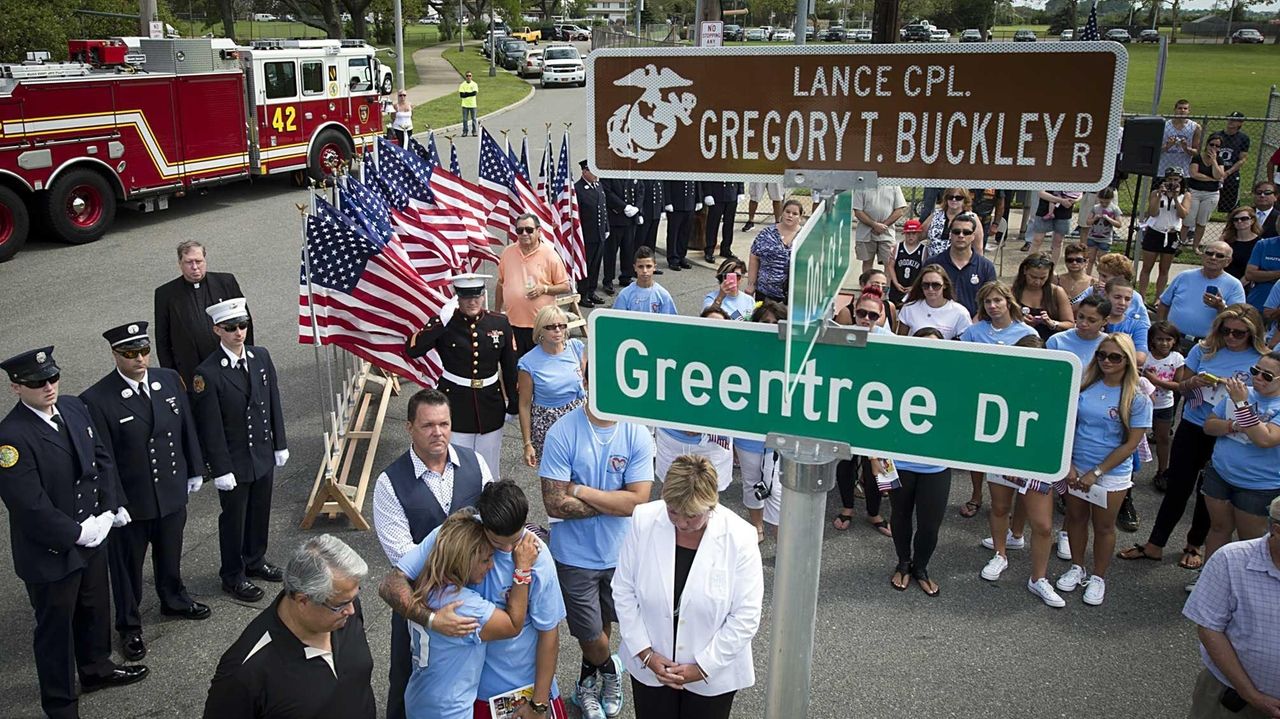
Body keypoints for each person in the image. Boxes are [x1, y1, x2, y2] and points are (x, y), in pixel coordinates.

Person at [0, 346, 148, 718]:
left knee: (94, 610)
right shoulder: (11, 438)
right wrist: (76, 533)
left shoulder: (72, 407)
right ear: (16, 387)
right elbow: (28, 504)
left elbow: (101, 458)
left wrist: (108, 510)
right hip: (52, 550)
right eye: (37, 383)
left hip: (92, 535)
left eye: (52, 377)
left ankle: (96, 669)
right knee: (56, 630)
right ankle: (61, 702)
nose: (48, 387)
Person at [80, 321, 209, 664]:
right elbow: (102, 458)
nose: (139, 359)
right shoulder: (97, 399)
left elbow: (186, 426)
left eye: (144, 351)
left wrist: (195, 468)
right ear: (115, 355)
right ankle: (129, 625)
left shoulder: (167, 380)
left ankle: (174, 599)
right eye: (130, 353)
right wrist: (113, 502)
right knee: (127, 569)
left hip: (170, 489)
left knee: (170, 552)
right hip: (132, 503)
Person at [380, 483, 567, 718]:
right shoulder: (453, 538)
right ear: (483, 524)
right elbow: (391, 583)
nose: (511, 549)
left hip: (520, 692)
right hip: (472, 699)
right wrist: (432, 620)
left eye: (517, 538)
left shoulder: (536, 556)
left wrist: (539, 704)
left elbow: (549, 633)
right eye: (498, 545)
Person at [371, 388, 492, 719]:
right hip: (418, 604)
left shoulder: (476, 464)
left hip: (473, 598)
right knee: (407, 680)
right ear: (409, 427)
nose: (438, 432)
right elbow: (402, 555)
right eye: (427, 425)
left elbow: (491, 525)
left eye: (444, 424)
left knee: (475, 681)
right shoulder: (389, 483)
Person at [613, 455, 764, 719]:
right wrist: (646, 654)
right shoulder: (643, 519)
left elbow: (746, 616)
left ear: (712, 504)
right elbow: (623, 590)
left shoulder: (740, 537)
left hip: (712, 677)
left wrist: (703, 667)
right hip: (650, 668)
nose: (682, 523)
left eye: (692, 516)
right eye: (673, 511)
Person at [1120, 305, 1268, 570]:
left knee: (1208, 492)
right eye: (1226, 330)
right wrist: (1194, 383)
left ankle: (1194, 544)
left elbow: (1267, 396)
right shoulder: (1204, 349)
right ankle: (1155, 544)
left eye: (1239, 333)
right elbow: (1182, 386)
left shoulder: (1261, 359)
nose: (1231, 337)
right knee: (1178, 486)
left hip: (1229, 433)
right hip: (1194, 424)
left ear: (1253, 333)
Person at [539, 386, 654, 719]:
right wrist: (615, 501)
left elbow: (638, 501)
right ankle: (610, 668)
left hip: (621, 554)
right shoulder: (562, 432)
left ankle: (587, 683)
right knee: (590, 634)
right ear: (587, 384)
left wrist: (580, 490)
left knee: (604, 623)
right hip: (574, 557)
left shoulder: (636, 432)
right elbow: (555, 503)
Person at [202, 535, 375, 719]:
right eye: (341, 604)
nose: (351, 610)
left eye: (354, 598)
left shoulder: (344, 609)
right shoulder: (245, 672)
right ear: (303, 600)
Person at [397, 510, 541, 719]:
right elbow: (513, 625)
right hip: (450, 711)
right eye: (485, 560)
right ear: (463, 560)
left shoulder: (422, 586)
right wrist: (523, 569)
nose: (491, 566)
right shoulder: (463, 606)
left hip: (418, 699)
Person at [190, 298, 287, 603]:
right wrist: (220, 468)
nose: (238, 332)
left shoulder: (260, 357)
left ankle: (255, 560)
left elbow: (272, 401)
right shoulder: (207, 373)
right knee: (234, 519)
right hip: (234, 460)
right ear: (217, 330)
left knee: (260, 511)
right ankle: (233, 575)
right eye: (231, 327)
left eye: (242, 325)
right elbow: (211, 427)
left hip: (261, 453)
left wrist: (279, 443)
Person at [1055, 334, 1152, 606]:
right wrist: (1069, 464)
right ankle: (1077, 566)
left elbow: (1131, 444)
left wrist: (1096, 472)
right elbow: (1067, 426)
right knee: (1075, 518)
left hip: (1111, 473)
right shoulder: (1084, 387)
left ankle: (1098, 576)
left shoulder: (1138, 398)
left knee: (1104, 526)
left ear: (1127, 360)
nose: (1107, 361)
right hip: (1077, 466)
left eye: (1114, 357)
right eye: (1102, 355)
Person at [405, 273, 518, 476]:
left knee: (489, 468)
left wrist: (513, 401)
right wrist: (440, 322)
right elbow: (413, 350)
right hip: (454, 403)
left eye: (476, 296)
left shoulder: (499, 323)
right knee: (455, 468)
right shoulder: (446, 323)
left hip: (490, 403)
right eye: (466, 297)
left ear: (483, 295)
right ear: (457, 298)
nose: (472, 301)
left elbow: (509, 366)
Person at [1182, 496, 1280, 719]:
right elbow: (1209, 629)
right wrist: (1251, 695)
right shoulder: (1231, 560)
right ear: (1277, 530)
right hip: (1231, 702)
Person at [1201, 354, 1280, 568]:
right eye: (1255, 371)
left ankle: (1245, 585)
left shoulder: (1241, 397)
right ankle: (1209, 577)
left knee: (1251, 543)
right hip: (1220, 474)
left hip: (1258, 486)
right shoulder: (1242, 393)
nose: (1258, 378)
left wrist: (1241, 404)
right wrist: (1234, 426)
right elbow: (1209, 426)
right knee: (1218, 529)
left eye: (1267, 375)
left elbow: (1265, 439)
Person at [832, 287, 894, 537]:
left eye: (872, 315)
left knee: (878, 465)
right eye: (861, 313)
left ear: (880, 316)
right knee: (846, 462)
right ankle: (847, 507)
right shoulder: (842, 335)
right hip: (849, 407)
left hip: (881, 409)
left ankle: (875, 513)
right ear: (854, 312)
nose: (866, 319)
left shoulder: (889, 340)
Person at [153, 240, 250, 388]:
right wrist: (171, 375)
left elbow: (245, 322)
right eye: (188, 262)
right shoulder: (165, 294)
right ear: (180, 264)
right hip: (191, 370)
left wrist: (248, 358)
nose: (195, 267)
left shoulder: (225, 282)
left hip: (229, 361)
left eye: (198, 261)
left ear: (205, 260)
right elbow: (162, 339)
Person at [519, 305, 587, 469]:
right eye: (551, 327)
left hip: (579, 419)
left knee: (583, 473)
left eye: (561, 325)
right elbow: (524, 405)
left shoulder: (576, 347)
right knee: (555, 477)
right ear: (540, 330)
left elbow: (586, 384)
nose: (557, 330)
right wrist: (527, 443)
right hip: (548, 424)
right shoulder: (528, 363)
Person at [495, 213, 571, 356]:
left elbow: (566, 286)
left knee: (540, 364)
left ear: (539, 231)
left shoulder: (550, 255)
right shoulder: (507, 252)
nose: (524, 234)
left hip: (541, 326)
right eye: (520, 230)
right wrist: (497, 313)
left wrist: (544, 289)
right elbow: (500, 283)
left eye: (529, 230)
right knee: (515, 364)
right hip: (512, 323)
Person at [1156, 240, 1246, 342]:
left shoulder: (1234, 285)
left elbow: (1238, 318)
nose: (1213, 258)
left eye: (1219, 256)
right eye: (1209, 253)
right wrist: (1161, 330)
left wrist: (1221, 307)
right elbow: (1164, 304)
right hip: (1174, 339)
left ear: (1228, 261)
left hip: (1207, 342)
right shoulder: (1184, 276)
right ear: (1203, 256)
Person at [1142, 321, 1186, 492]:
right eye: (1159, 339)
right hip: (1143, 404)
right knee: (1135, 438)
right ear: (1152, 340)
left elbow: (1178, 385)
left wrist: (1156, 381)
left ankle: (1162, 471)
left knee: (1163, 438)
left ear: (1174, 340)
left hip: (1165, 405)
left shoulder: (1177, 358)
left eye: (1169, 339)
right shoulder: (1144, 356)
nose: (1164, 343)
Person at [934, 213, 997, 318]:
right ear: (950, 234)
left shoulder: (986, 267)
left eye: (966, 232)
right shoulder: (934, 263)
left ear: (973, 236)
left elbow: (991, 300)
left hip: (975, 322)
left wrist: (973, 324)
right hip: (939, 321)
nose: (961, 235)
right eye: (956, 231)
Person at [746, 199, 803, 303]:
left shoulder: (805, 235)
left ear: (800, 217)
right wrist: (751, 284)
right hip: (765, 292)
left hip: (793, 295)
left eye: (795, 214)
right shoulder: (767, 233)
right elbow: (754, 257)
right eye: (787, 212)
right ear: (782, 212)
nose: (790, 215)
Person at [895, 265, 972, 340]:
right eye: (926, 285)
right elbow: (901, 341)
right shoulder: (909, 308)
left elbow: (967, 342)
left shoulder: (960, 312)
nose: (930, 289)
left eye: (936, 285)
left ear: (944, 285)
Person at [1011, 253, 1074, 341]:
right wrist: (1019, 321)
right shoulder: (1012, 292)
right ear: (1024, 270)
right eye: (1033, 277)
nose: (1037, 282)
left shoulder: (1057, 292)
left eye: (1042, 278)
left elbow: (1070, 324)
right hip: (1018, 341)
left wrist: (1052, 323)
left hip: (1049, 341)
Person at [601, 176, 646, 293]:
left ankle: (626, 276)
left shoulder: (631, 172)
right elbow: (607, 193)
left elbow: (641, 190)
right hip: (615, 219)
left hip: (630, 219)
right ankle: (608, 280)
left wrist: (637, 208)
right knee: (611, 252)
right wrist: (623, 206)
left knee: (628, 250)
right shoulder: (610, 174)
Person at [852, 183, 908, 275]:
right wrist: (874, 225)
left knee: (889, 263)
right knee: (867, 262)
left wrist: (883, 226)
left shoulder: (894, 185)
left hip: (887, 234)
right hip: (865, 234)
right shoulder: (862, 185)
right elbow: (858, 211)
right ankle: (868, 283)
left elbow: (899, 210)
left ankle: (886, 284)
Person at [575, 161, 609, 307]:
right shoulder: (578, 189)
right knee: (586, 266)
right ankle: (582, 294)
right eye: (593, 171)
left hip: (599, 234)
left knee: (595, 265)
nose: (596, 174)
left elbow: (603, 209)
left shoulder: (598, 186)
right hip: (587, 236)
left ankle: (591, 291)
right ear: (584, 171)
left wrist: (606, 227)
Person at [1185, 134, 1226, 253]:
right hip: (1195, 192)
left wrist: (1214, 161)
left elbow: (1219, 175)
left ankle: (1195, 246)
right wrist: (1211, 179)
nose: (1214, 148)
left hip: (1211, 194)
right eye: (1212, 144)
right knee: (1188, 220)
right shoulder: (1197, 157)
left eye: (1217, 146)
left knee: (1201, 222)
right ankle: (1180, 243)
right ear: (1207, 144)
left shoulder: (1219, 160)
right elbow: (1194, 174)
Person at [1046, 294, 1111, 367]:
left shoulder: (1110, 344)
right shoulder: (1056, 341)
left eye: (1092, 320)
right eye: (1081, 317)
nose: (1084, 323)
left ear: (1105, 321)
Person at [613, 247, 677, 314]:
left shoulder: (663, 295)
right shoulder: (624, 295)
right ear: (635, 268)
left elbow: (670, 319)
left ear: (654, 267)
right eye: (640, 266)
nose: (644, 271)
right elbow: (617, 319)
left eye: (648, 266)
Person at [1104, 277, 1151, 363]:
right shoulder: (1095, 321)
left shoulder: (1137, 326)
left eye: (1127, 299)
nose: (1122, 303)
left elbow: (1140, 358)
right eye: (1117, 297)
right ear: (1106, 296)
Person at [923, 187, 976, 257]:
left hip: (959, 261)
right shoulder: (936, 214)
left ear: (965, 199)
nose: (954, 200)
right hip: (933, 261)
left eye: (958, 198)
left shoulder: (972, 217)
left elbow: (978, 247)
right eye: (950, 197)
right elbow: (919, 235)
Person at [1214, 111, 1250, 213]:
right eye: (1230, 119)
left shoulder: (1243, 138)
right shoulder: (1217, 135)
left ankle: (1230, 221)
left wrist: (1227, 173)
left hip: (1231, 173)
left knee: (1230, 206)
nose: (1231, 121)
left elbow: (1242, 159)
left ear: (1240, 123)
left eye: (1234, 120)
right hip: (1214, 170)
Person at [1158, 98, 1202, 179]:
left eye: (1185, 108)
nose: (1182, 110)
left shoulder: (1195, 127)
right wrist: (1167, 146)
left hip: (1184, 171)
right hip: (1163, 170)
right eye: (1180, 108)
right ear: (1174, 110)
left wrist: (1186, 148)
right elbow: (1157, 151)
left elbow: (1196, 152)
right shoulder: (1164, 126)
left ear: (1189, 111)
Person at [700, 181, 743, 262]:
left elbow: (739, 174)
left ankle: (726, 249)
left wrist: (741, 191)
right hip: (716, 194)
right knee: (713, 224)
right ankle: (709, 250)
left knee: (729, 224)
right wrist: (707, 193)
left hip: (731, 193)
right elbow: (708, 176)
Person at [888, 218, 927, 306]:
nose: (911, 236)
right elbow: (890, 266)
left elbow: (924, 270)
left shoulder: (923, 250)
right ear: (904, 234)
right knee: (894, 307)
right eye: (908, 233)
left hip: (914, 287)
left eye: (914, 233)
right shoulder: (898, 247)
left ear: (919, 234)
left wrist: (915, 286)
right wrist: (896, 283)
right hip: (897, 286)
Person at [1084, 187, 1123, 271]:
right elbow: (1088, 222)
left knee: (1102, 261)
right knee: (1090, 259)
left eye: (1107, 202)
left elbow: (1119, 224)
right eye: (1102, 202)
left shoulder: (1115, 209)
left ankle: (1101, 277)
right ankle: (1088, 276)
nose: (1104, 204)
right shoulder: (1095, 207)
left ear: (1111, 199)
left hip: (1105, 239)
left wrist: (1109, 219)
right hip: (1092, 237)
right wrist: (1095, 218)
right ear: (1098, 198)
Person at [664, 180, 698, 272]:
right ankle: (673, 258)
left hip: (690, 202)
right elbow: (667, 183)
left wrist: (698, 199)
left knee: (685, 233)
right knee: (673, 233)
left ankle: (681, 256)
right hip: (675, 203)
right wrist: (667, 201)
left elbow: (696, 182)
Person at [1223, 208, 1264, 281]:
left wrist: (1239, 284)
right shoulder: (1226, 240)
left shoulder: (1261, 243)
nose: (1239, 221)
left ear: (1252, 221)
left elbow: (1258, 269)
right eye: (1235, 219)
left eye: (1244, 218)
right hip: (1225, 279)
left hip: (1247, 281)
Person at [638, 180, 665, 273]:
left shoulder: (658, 179)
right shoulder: (643, 179)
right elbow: (640, 196)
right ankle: (637, 266)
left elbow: (661, 193)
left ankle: (650, 265)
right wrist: (639, 213)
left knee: (651, 242)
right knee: (640, 242)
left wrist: (662, 209)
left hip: (655, 213)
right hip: (645, 214)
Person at [1060, 243, 1096, 307]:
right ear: (1065, 261)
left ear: (1086, 262)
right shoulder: (1056, 280)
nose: (1074, 263)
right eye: (1070, 260)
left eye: (1079, 260)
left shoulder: (1093, 283)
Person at [458, 71, 478, 136]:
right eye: (467, 76)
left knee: (474, 119)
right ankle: (465, 131)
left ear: (471, 77)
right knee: (465, 119)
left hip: (473, 104)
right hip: (465, 105)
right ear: (465, 77)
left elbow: (474, 93)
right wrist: (469, 93)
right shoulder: (462, 85)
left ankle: (474, 131)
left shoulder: (474, 84)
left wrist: (466, 93)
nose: (468, 77)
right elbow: (461, 95)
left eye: (470, 76)